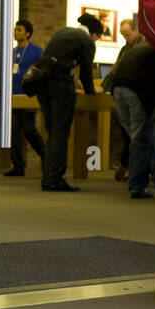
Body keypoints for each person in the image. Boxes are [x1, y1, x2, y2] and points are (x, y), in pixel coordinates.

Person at [107, 28, 155, 198]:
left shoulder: (142, 47)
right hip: (135, 91)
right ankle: (142, 182)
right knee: (139, 139)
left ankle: (147, 178)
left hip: (118, 89)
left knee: (137, 138)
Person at [36, 15, 101, 192]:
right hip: (60, 88)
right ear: (94, 33)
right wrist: (92, 94)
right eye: (98, 37)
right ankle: (55, 179)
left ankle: (47, 178)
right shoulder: (86, 41)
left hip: (43, 86)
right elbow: (87, 74)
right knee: (60, 134)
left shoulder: (63, 32)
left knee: (52, 134)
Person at [104, 18, 146, 181]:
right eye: (122, 35)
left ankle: (132, 169)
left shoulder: (143, 47)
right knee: (128, 133)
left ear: (136, 30)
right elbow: (115, 70)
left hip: (138, 94)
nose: (125, 39)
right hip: (124, 93)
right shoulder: (125, 49)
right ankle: (130, 167)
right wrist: (104, 86)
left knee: (135, 135)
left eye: (127, 35)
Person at [3, 19, 46, 177]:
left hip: (28, 96)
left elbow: (41, 71)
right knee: (13, 131)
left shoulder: (36, 51)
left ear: (28, 33)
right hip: (13, 97)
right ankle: (18, 166)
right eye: (15, 29)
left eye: (19, 30)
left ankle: (47, 158)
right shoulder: (12, 52)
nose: (16, 32)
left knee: (29, 129)